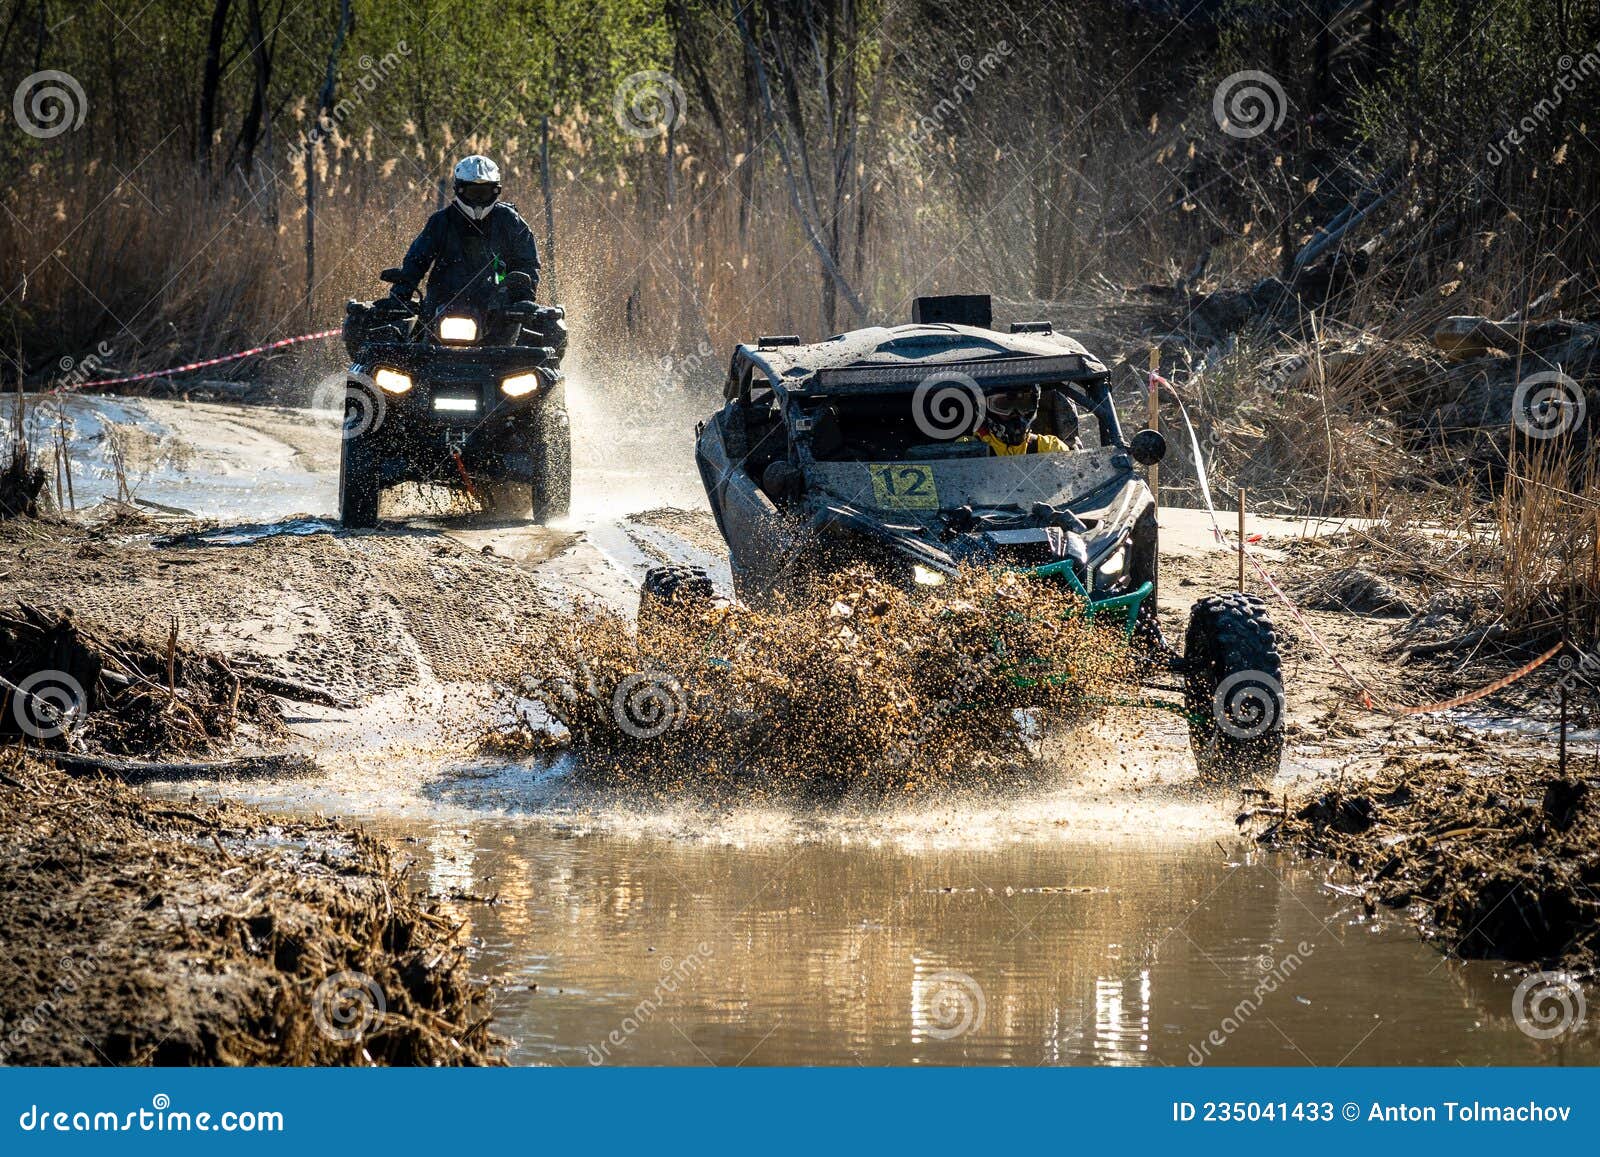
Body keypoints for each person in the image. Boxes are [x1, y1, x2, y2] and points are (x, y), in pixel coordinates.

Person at [390, 155, 540, 316]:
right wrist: (401, 292)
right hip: (440, 305)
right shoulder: (441, 221)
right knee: (396, 330)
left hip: (499, 309)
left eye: (484, 193)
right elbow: (417, 259)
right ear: (459, 190)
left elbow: (527, 263)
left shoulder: (511, 221)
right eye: (473, 192)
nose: (478, 199)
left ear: (496, 191)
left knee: (540, 327)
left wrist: (523, 296)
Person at [974, 385, 1071, 455]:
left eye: (1024, 404)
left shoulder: (1051, 448)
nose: (1015, 414)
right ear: (987, 409)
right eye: (1004, 405)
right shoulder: (969, 449)